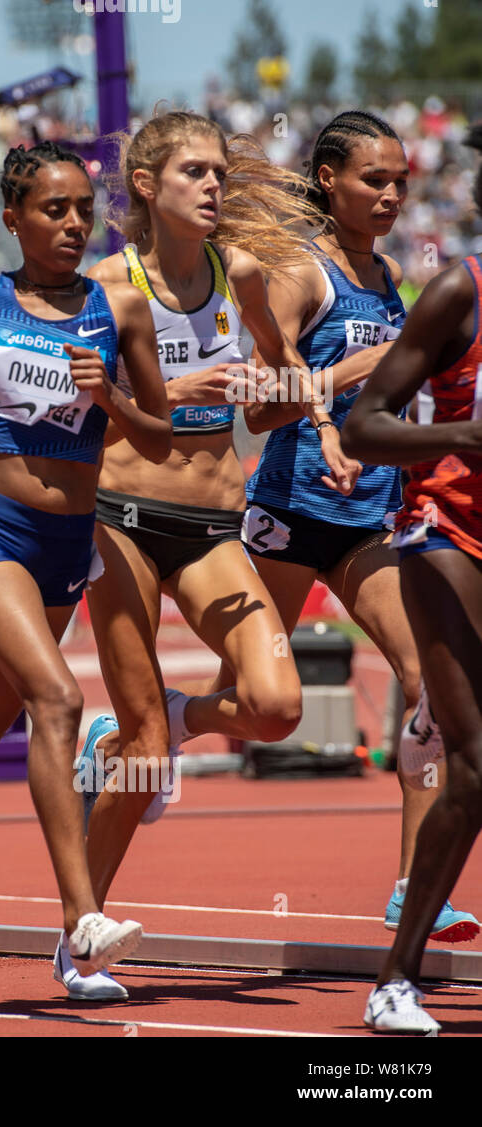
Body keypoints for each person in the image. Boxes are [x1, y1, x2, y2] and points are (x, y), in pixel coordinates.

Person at [71, 109, 365, 1000]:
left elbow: (272, 397)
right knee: (148, 751)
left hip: (210, 526)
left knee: (277, 707)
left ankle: (163, 713)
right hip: (119, 518)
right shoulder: (105, 286)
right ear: (149, 189)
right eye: (194, 172)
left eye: (218, 172)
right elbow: (67, 412)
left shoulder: (239, 275)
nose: (213, 186)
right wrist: (161, 390)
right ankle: (80, 933)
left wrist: (307, 406)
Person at [0, 140, 174, 979]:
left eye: (84, 208)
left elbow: (157, 440)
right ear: (11, 217)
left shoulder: (121, 311)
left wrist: (109, 397)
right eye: (54, 209)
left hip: (65, 547)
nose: (74, 223)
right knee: (58, 698)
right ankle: (81, 920)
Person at [231, 110, 476, 942]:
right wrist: (349, 371)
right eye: (375, 179)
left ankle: (416, 887)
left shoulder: (396, 279)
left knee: (429, 689)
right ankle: (147, 722)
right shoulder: (300, 274)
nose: (393, 195)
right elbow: (261, 411)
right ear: (329, 179)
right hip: (290, 517)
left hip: (371, 519)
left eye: (402, 181)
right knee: (266, 708)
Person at [343, 133, 482, 1035]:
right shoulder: (458, 289)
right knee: (477, 764)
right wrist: (465, 439)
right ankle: (397, 977)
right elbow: (363, 426)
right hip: (445, 530)